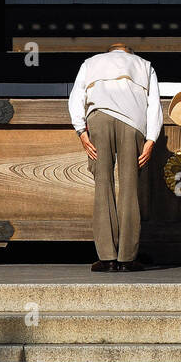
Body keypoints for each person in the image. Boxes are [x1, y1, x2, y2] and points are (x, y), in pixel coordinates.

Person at [68, 43, 161, 272]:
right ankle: (127, 258)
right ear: (129, 52)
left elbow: (76, 97)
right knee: (129, 189)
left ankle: (107, 257)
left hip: (99, 119)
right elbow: (154, 105)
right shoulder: (144, 65)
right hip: (133, 124)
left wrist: (81, 131)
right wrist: (151, 140)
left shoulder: (90, 62)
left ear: (109, 52)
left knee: (103, 186)